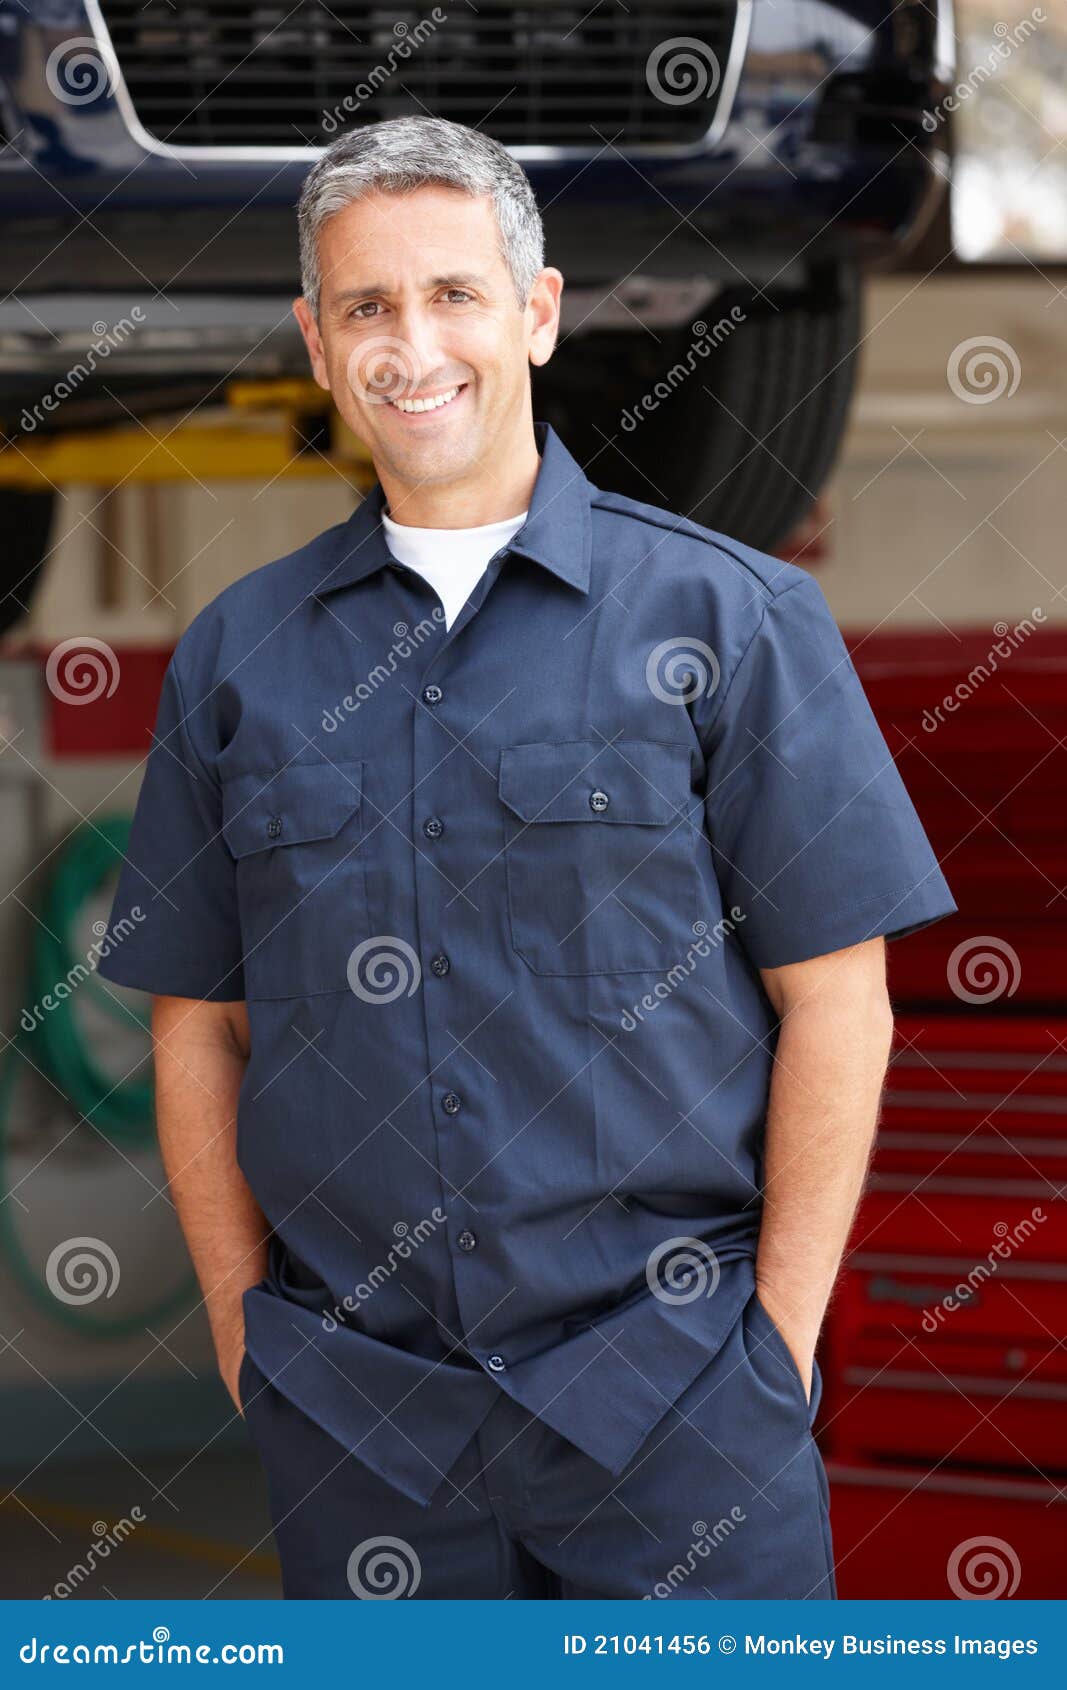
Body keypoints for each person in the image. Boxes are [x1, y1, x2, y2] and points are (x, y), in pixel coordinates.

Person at [97, 115, 956, 1600]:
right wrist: (249, 1340)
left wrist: (776, 1347)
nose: (410, 344)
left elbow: (839, 1002)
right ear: (315, 341)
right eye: (366, 307)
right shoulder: (240, 659)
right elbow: (195, 1024)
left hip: (680, 1422)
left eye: (454, 295)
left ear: (539, 313)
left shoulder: (731, 623)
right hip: (366, 1436)